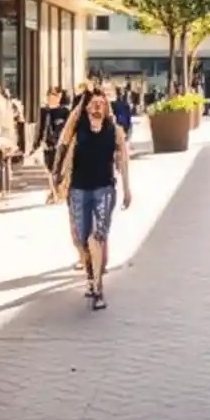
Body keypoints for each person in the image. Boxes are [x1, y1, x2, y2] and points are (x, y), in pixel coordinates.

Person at [52, 89, 132, 311]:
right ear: (85, 107)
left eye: (102, 103)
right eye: (94, 103)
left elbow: (123, 161)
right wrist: (56, 178)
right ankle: (90, 278)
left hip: (104, 189)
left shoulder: (114, 131)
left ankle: (98, 289)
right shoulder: (77, 131)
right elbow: (61, 150)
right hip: (78, 190)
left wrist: (127, 189)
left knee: (97, 237)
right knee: (81, 240)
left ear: (107, 108)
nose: (98, 106)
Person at [37, 87, 71, 204]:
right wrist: (38, 143)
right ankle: (54, 192)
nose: (52, 98)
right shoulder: (43, 111)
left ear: (59, 97)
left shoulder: (65, 112)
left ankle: (57, 192)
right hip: (48, 144)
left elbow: (68, 128)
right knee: (50, 170)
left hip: (61, 145)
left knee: (60, 170)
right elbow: (40, 128)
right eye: (50, 96)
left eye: (55, 96)